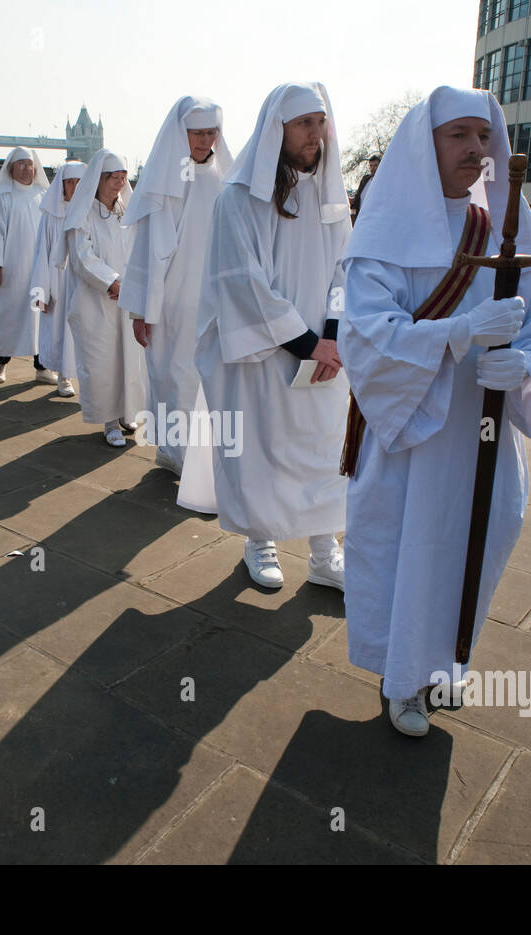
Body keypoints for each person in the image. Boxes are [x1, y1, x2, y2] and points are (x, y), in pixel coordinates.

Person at [340, 86, 531, 737]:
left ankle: (445, 662)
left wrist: (525, 367)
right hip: (416, 432)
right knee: (415, 548)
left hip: (484, 431)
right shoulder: (386, 232)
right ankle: (404, 680)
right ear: (428, 142)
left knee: (477, 538)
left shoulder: (501, 226)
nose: (476, 148)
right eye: (460, 135)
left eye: (484, 135)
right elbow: (366, 336)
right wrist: (457, 332)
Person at [185, 82, 350, 592]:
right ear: (277, 129)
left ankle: (324, 551)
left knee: (324, 447)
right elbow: (242, 281)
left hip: (322, 353)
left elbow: (347, 271)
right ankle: (259, 540)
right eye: (304, 124)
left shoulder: (329, 196)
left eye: (320, 123)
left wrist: (335, 334)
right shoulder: (239, 198)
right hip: (258, 354)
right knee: (259, 450)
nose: (314, 134)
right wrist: (306, 343)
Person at [119, 96, 232, 474]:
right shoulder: (164, 181)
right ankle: (174, 452)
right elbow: (145, 251)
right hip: (170, 300)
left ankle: (201, 453)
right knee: (173, 375)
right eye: (196, 133)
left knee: (210, 378)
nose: (204, 141)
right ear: (180, 134)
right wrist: (140, 310)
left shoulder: (226, 179)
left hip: (216, 300)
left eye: (210, 132)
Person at [63, 150, 145, 446]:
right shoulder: (83, 214)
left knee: (130, 358)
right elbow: (82, 257)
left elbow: (139, 248)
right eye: (113, 178)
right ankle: (109, 421)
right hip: (96, 302)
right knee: (102, 362)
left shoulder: (127, 212)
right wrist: (112, 282)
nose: (119, 183)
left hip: (128, 299)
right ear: (98, 180)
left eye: (123, 177)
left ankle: (127, 412)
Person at [0, 146, 52, 384]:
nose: (26, 169)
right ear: (11, 168)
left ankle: (43, 366)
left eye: (30, 164)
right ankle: (0, 362)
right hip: (11, 269)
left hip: (40, 268)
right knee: (7, 316)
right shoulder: (2, 195)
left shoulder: (43, 193)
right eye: (21, 164)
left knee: (41, 317)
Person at [29, 160, 85, 398]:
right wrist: (40, 291)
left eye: (78, 182)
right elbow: (41, 254)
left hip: (86, 280)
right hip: (59, 281)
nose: (74, 187)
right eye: (69, 182)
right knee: (61, 330)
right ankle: (64, 375)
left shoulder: (92, 209)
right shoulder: (51, 215)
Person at [350, 153, 380, 223]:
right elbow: (357, 198)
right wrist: (351, 201)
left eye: (376, 165)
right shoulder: (365, 179)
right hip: (361, 218)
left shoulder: (383, 182)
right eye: (371, 165)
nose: (373, 168)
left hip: (376, 219)